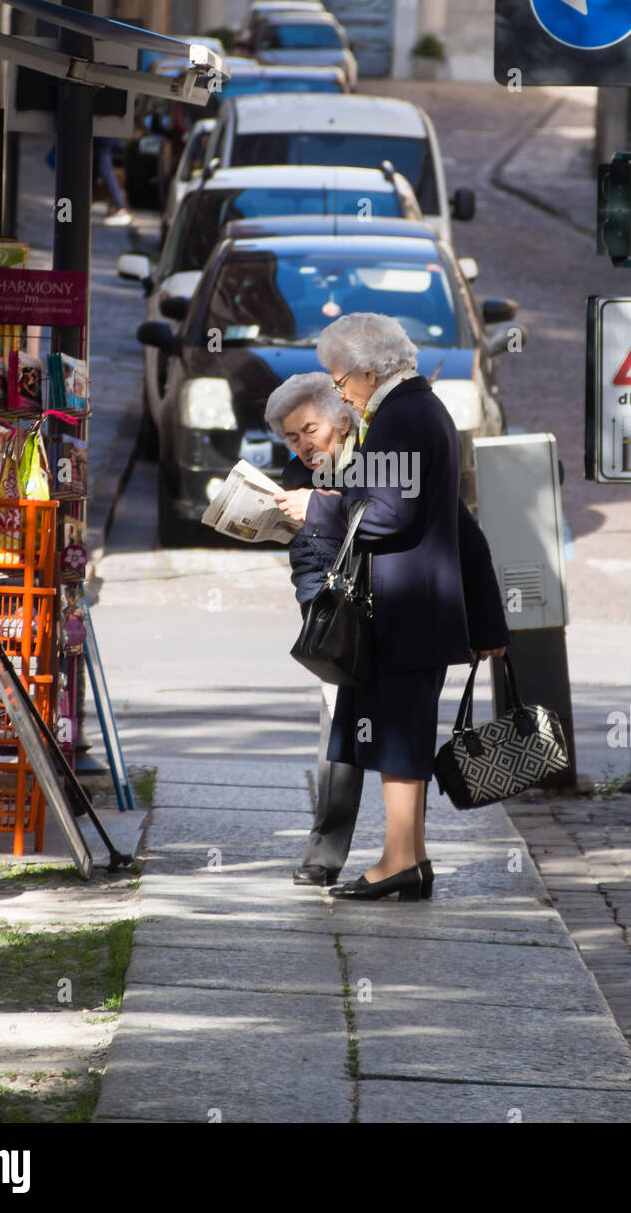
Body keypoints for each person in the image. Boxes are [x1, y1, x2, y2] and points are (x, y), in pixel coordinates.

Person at [274, 313, 509, 902]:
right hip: (419, 607)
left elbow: (387, 516)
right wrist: (486, 621)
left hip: (407, 609)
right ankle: (412, 859)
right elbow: (458, 524)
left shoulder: (401, 416)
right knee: (400, 735)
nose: (337, 390)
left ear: (365, 368)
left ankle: (398, 860)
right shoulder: (420, 409)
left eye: (338, 377)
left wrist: (316, 508)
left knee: (400, 740)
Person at [265, 373, 360, 887]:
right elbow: (303, 555)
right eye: (291, 437)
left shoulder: (374, 463)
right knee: (339, 728)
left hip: (387, 608)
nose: (302, 445)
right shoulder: (295, 473)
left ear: (341, 421)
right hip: (333, 617)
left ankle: (407, 856)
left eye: (310, 430)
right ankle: (325, 856)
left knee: (391, 739)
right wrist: (314, 606)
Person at [93, 137, 132, 226]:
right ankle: (120, 206)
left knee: (104, 169)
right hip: (106, 136)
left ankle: (120, 206)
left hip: (103, 136)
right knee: (97, 168)